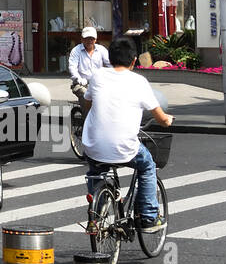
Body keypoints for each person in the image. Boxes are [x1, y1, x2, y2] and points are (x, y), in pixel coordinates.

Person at [80, 37, 174, 233]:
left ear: (110, 58)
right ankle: (148, 216)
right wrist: (168, 120)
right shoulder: (138, 81)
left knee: (96, 172)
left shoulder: (97, 76)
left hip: (93, 145)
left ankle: (95, 217)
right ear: (133, 61)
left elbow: (87, 103)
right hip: (125, 147)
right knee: (147, 165)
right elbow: (161, 118)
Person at [68, 27, 110, 95]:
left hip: (99, 83)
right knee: (84, 94)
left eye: (91, 39)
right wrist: (79, 79)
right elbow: (72, 67)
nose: (89, 41)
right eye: (86, 38)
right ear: (82, 39)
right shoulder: (76, 50)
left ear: (95, 39)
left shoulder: (102, 50)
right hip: (82, 84)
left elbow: (110, 64)